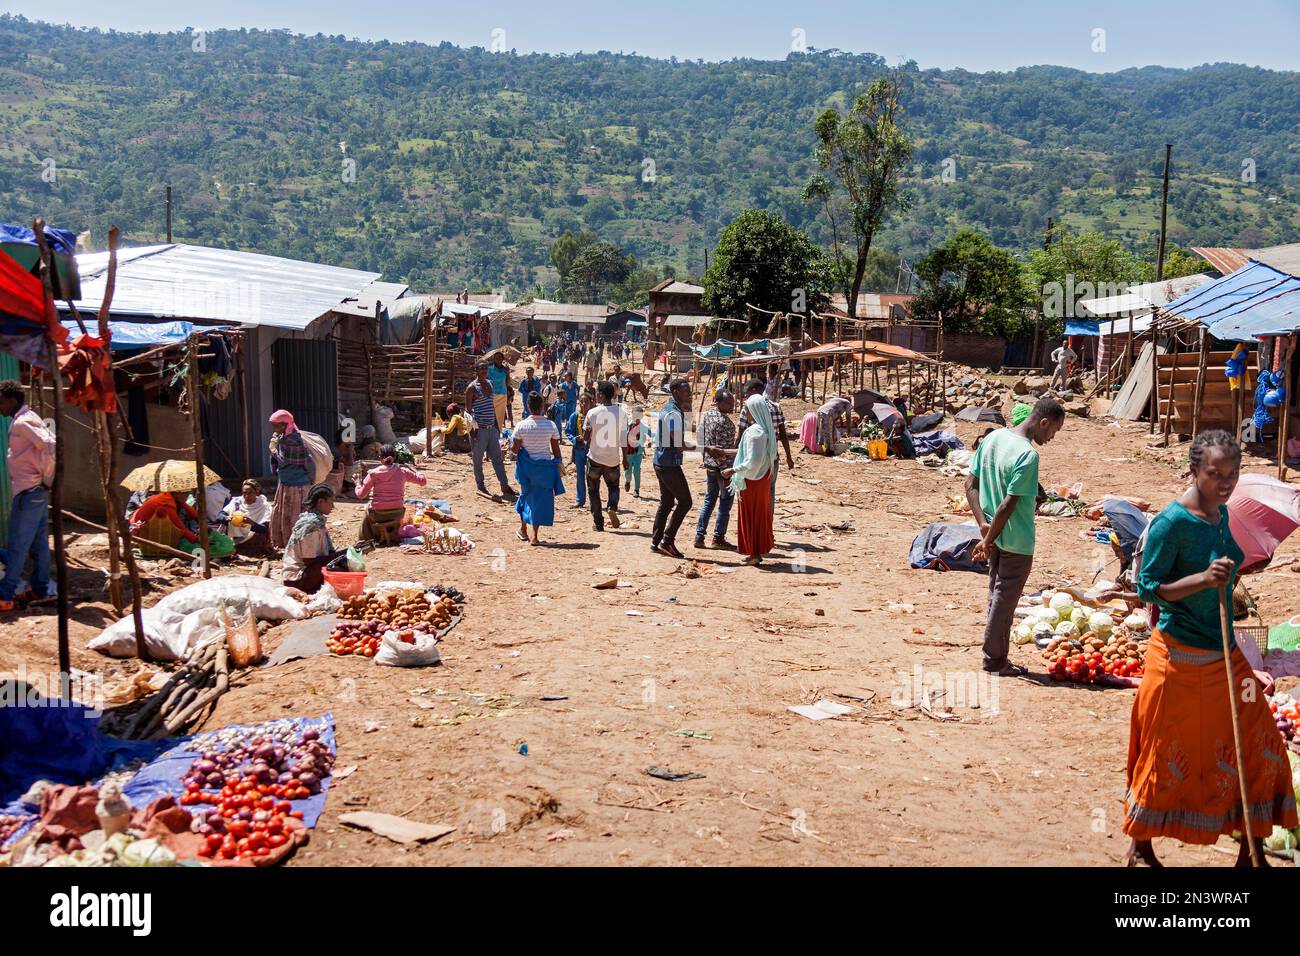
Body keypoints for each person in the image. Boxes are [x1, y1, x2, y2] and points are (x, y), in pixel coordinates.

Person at [1123, 430, 1298, 867]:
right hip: (1178, 656)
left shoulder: (1220, 515)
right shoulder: (1170, 523)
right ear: (1193, 471)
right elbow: (1148, 588)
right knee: (1168, 752)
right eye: (1214, 474)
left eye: (1232, 474)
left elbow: (1228, 559)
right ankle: (1142, 846)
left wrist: (1233, 570)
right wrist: (1203, 580)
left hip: (1224, 655)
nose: (1225, 483)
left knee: (1258, 742)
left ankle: (1249, 848)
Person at [964, 397, 1066, 677]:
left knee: (996, 595)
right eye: (1053, 432)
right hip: (1017, 541)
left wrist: (984, 527)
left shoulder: (994, 438)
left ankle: (997, 654)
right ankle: (994, 660)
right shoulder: (1027, 455)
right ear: (1042, 422)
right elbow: (1008, 504)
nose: (1051, 438)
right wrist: (987, 538)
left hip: (995, 536)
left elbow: (970, 484)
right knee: (1004, 600)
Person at [0, 380, 55, 611]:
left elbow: (50, 444)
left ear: (11, 400)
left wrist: (47, 476)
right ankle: (40, 589)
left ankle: (5, 595)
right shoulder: (25, 418)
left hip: (29, 491)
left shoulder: (23, 421)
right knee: (39, 544)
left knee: (17, 545)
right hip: (35, 492)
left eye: (0, 402)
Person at [723, 393, 777, 566]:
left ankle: (754, 554)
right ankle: (755, 552)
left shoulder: (756, 433)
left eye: (746, 407)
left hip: (752, 480)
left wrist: (733, 470)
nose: (744, 410)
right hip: (760, 479)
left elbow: (752, 460)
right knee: (758, 514)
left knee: (751, 515)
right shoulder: (763, 430)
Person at [511, 393, 564, 545]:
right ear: (542, 407)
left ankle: (523, 529)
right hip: (545, 470)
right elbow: (556, 450)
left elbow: (515, 450)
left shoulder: (521, 426)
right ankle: (534, 535)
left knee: (525, 496)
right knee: (540, 501)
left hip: (526, 469)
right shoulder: (551, 426)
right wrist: (559, 464)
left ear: (528, 406)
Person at [737, 378, 795, 517]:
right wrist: (788, 457)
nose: (745, 396)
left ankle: (757, 526)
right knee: (770, 491)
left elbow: (739, 438)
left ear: (754, 390)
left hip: (753, 460)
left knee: (753, 493)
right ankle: (768, 525)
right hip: (772, 457)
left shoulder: (749, 408)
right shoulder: (776, 406)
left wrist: (735, 459)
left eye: (746, 392)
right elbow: (783, 434)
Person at [651, 379, 694, 558]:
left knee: (667, 502)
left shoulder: (671, 409)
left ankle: (656, 541)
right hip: (668, 464)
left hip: (662, 461)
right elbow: (678, 445)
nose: (689, 394)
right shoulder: (673, 413)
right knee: (685, 502)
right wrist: (706, 449)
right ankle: (667, 541)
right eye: (686, 391)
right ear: (675, 391)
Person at [282, 484, 347, 594]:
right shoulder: (310, 526)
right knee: (338, 563)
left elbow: (327, 553)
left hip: (310, 571)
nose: (333, 506)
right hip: (298, 578)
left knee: (344, 563)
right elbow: (310, 561)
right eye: (331, 502)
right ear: (321, 502)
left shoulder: (318, 522)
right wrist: (343, 553)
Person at [356, 444, 427, 542]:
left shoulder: (373, 474)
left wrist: (357, 484)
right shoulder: (403, 471)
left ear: (380, 458)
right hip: (398, 513)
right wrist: (414, 470)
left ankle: (366, 538)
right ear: (394, 457)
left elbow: (360, 495)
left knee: (367, 508)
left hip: (378, 514)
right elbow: (423, 481)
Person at [467, 362, 517, 500]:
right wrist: (472, 432)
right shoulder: (472, 388)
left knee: (497, 458)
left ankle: (504, 485)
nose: (483, 371)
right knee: (478, 460)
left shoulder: (490, 384)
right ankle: (481, 485)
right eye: (480, 368)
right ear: (476, 370)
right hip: (479, 431)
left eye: (485, 368)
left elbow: (491, 407)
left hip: (492, 429)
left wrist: (497, 427)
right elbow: (468, 413)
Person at [696, 388, 737, 550]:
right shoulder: (725, 423)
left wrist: (705, 458)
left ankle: (699, 535)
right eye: (728, 403)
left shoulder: (708, 415)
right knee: (725, 503)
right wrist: (727, 473)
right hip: (723, 469)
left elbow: (700, 437)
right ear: (718, 402)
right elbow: (722, 451)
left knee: (709, 500)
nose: (731, 406)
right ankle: (718, 538)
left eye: (732, 403)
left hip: (709, 465)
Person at [268, 410, 314, 550]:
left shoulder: (294, 440)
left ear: (285, 425)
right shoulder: (283, 438)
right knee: (285, 515)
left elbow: (284, 461)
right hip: (286, 483)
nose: (274, 429)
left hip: (297, 485)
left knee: (295, 517)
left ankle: (298, 546)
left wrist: (273, 449)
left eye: (276, 425)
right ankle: (288, 545)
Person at [583, 381, 625, 532]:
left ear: (600, 394)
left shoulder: (592, 413)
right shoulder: (621, 412)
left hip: (594, 458)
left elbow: (586, 437)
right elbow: (624, 438)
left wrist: (585, 434)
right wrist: (625, 459)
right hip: (613, 459)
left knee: (593, 490)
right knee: (613, 486)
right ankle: (612, 506)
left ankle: (598, 523)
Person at [222, 479, 273, 557]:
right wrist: (227, 519)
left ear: (257, 492)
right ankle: (234, 547)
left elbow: (264, 528)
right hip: (235, 536)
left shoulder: (264, 506)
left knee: (259, 534)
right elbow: (220, 516)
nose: (246, 496)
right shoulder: (236, 502)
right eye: (244, 493)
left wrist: (250, 523)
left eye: (250, 493)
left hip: (252, 537)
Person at [566, 391, 594, 509]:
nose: (583, 404)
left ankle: (593, 500)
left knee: (591, 476)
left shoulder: (593, 416)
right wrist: (574, 439)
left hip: (591, 449)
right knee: (580, 476)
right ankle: (580, 500)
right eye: (581, 401)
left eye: (585, 402)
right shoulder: (575, 416)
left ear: (591, 403)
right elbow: (568, 431)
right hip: (578, 449)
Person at [487, 352, 514, 429]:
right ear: (494, 359)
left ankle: (498, 431)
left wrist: (508, 373)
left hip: (502, 395)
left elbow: (508, 383)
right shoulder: (489, 369)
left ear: (503, 359)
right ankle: (492, 430)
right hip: (492, 395)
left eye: (500, 358)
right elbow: (486, 381)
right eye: (497, 358)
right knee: (492, 415)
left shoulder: (505, 370)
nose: (498, 360)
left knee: (500, 416)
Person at [624, 404, 646, 497]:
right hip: (629, 452)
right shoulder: (627, 426)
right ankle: (628, 481)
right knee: (628, 471)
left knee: (636, 470)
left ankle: (636, 489)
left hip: (638, 452)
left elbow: (649, 435)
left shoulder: (643, 427)